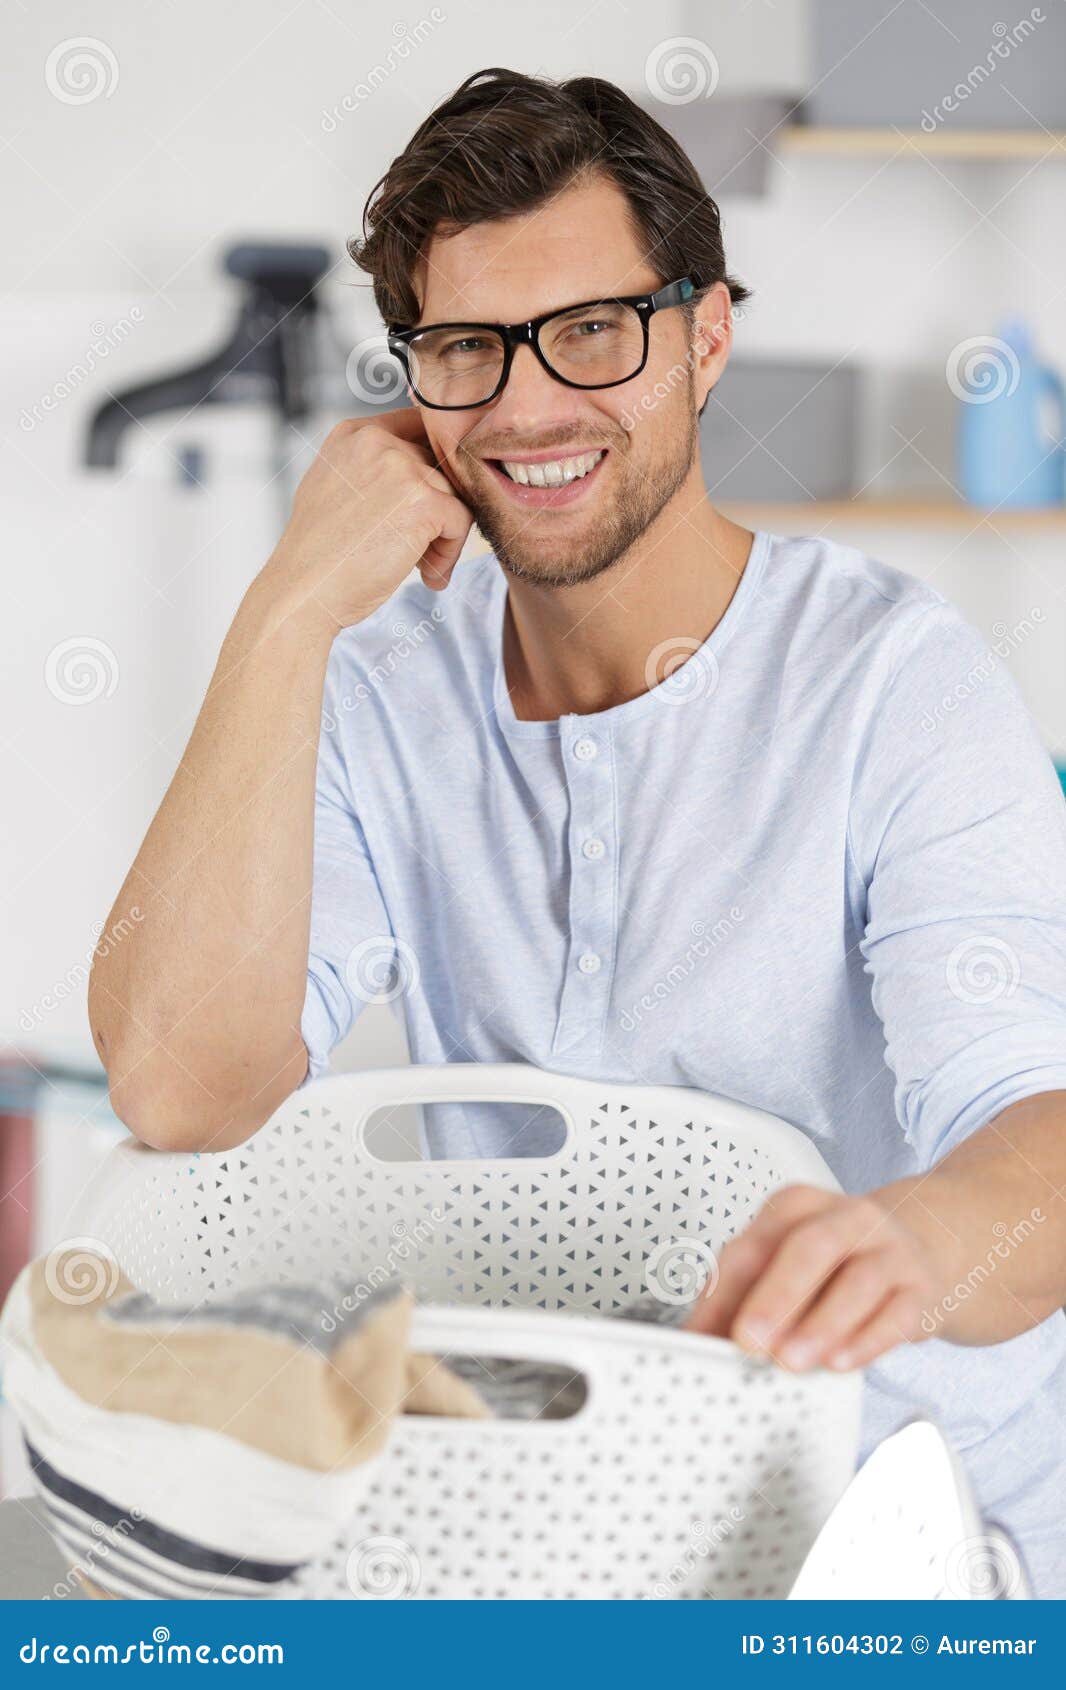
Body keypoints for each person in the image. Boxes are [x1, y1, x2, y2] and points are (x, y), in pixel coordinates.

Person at [89, 68, 1066, 1597]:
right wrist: (284, 613)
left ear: (706, 338)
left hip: (891, 1533)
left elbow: (1041, 1141)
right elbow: (178, 1085)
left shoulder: (897, 683)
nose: (529, 405)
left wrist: (916, 1243)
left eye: (592, 332)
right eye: (467, 349)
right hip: (550, 1522)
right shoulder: (376, 686)